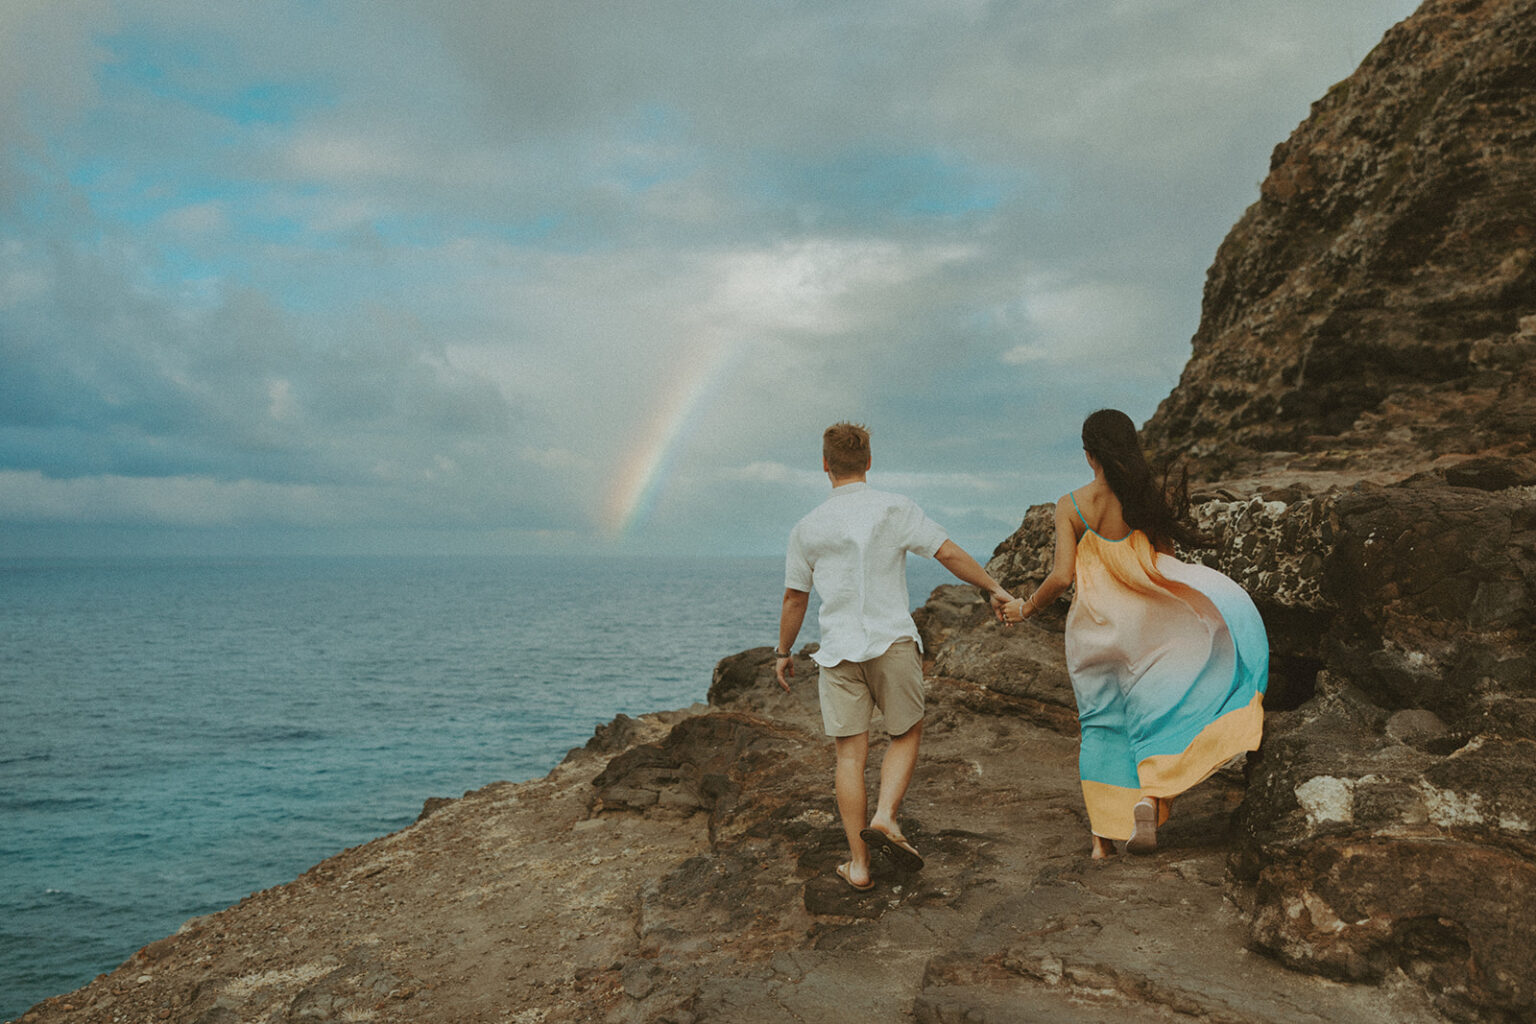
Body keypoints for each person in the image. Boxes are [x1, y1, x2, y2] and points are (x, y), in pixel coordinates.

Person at [1001, 409, 1268, 858]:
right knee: (1160, 714)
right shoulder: (1145, 499)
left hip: (1096, 631)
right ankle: (1151, 797)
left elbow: (1061, 576)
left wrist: (1024, 607)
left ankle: (1101, 842)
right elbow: (1165, 561)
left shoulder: (1071, 505)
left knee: (1102, 724)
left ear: (1089, 455)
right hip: (1148, 625)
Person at [775, 422, 1013, 891]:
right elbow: (946, 554)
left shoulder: (807, 528)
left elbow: (794, 599)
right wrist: (993, 587)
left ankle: (859, 866)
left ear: (825, 464)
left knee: (849, 755)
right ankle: (885, 816)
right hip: (893, 642)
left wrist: (782, 651)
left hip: (838, 651)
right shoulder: (894, 508)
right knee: (905, 733)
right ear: (868, 462)